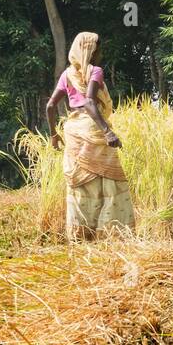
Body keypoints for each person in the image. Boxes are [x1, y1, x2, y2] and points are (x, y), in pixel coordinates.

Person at [46, 32, 135, 237]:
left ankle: (81, 234)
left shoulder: (67, 74)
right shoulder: (95, 71)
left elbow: (51, 106)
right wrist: (108, 132)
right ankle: (111, 234)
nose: (100, 54)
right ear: (91, 51)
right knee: (109, 179)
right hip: (92, 129)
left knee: (82, 181)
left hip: (73, 131)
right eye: (98, 49)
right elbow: (88, 101)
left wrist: (53, 134)